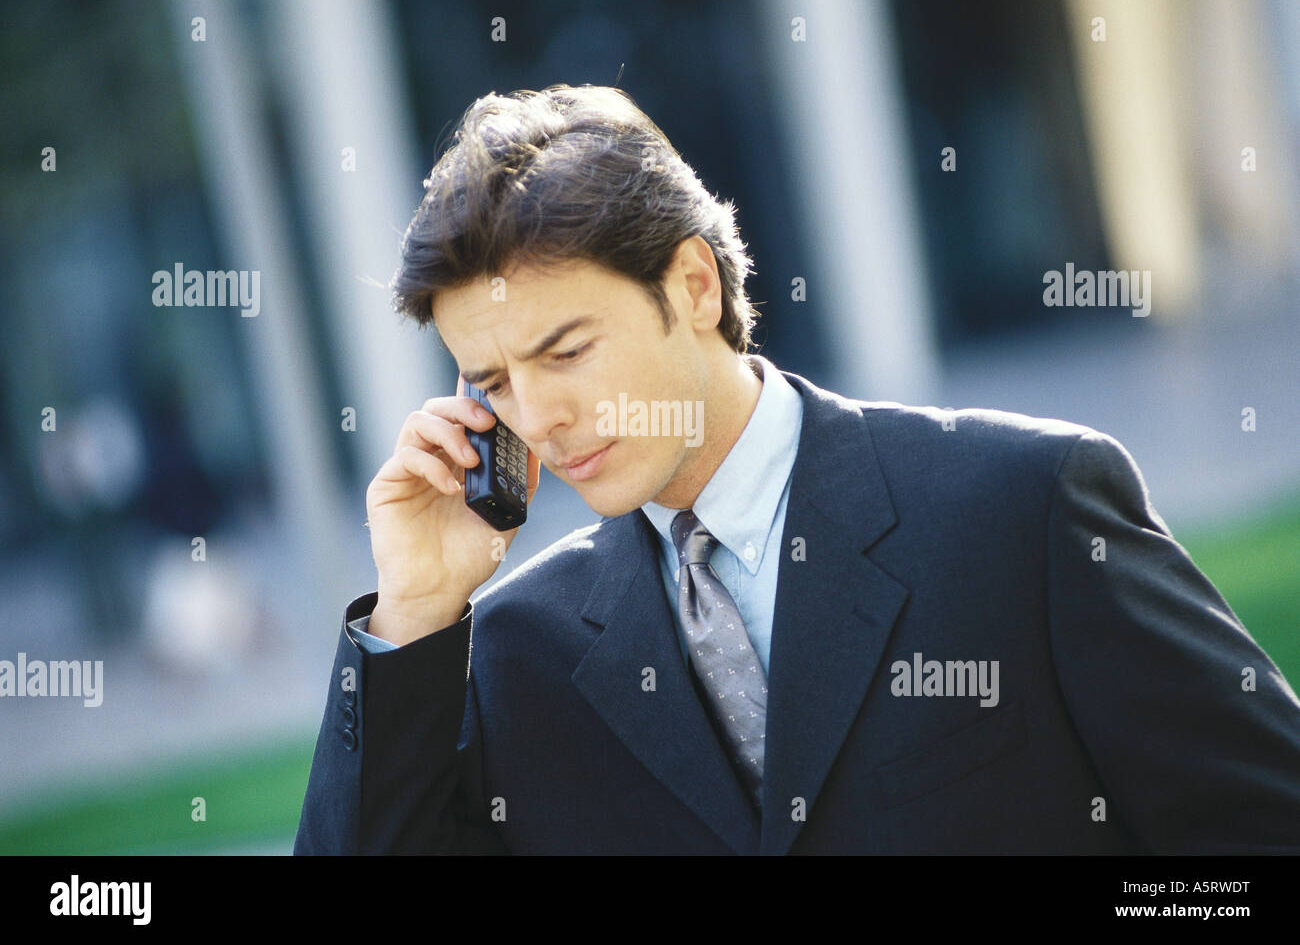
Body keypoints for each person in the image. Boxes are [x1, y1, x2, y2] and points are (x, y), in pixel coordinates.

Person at [294, 84, 1300, 854]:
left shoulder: (1023, 509)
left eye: (564, 352)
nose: (540, 416)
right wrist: (413, 617)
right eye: (493, 382)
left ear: (691, 283)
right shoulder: (509, 656)